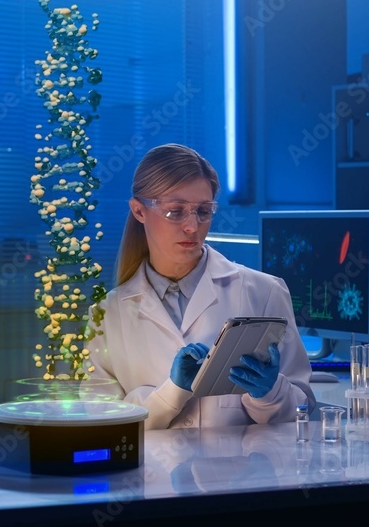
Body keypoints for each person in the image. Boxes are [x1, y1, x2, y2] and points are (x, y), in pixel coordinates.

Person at [88, 143, 314, 430]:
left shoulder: (264, 291)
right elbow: (100, 422)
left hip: (246, 474)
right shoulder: (108, 313)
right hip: (151, 475)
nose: (193, 227)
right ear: (139, 211)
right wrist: (170, 393)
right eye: (176, 212)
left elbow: (305, 412)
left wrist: (269, 393)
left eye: (203, 211)